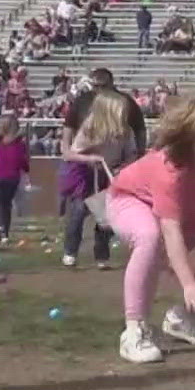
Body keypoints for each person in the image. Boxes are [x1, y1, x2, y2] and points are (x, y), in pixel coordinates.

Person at [105, 91, 195, 364]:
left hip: (186, 209)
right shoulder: (170, 169)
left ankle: (184, 319)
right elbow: (171, 231)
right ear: (190, 131)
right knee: (150, 236)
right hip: (130, 199)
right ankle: (135, 330)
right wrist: (189, 283)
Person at [59, 89, 138, 270]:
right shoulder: (90, 128)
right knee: (78, 212)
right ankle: (70, 252)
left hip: (110, 173)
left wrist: (123, 166)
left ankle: (102, 255)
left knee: (106, 217)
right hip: (85, 174)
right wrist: (91, 159)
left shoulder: (125, 131)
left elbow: (131, 155)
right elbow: (71, 154)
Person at [0, 112, 31, 244]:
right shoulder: (20, 144)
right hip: (13, 178)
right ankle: (5, 234)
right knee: (6, 204)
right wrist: (26, 169)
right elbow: (22, 161)